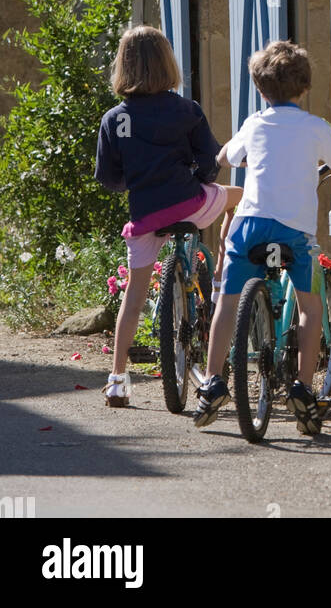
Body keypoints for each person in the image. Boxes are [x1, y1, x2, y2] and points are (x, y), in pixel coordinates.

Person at [193, 39, 331, 434]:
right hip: (294, 234)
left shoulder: (254, 123)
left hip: (250, 225)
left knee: (227, 300)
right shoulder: (316, 128)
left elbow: (227, 157)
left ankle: (212, 381)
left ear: (260, 88)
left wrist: (222, 156)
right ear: (304, 87)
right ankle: (303, 388)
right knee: (310, 306)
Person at [95, 25, 242, 408]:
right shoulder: (185, 110)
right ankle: (226, 270)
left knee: (134, 292)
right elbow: (210, 163)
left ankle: (116, 379)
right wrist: (198, 179)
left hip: (144, 216)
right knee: (240, 197)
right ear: (167, 63)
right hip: (189, 203)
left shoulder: (115, 119)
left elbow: (110, 179)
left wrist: (139, 181)